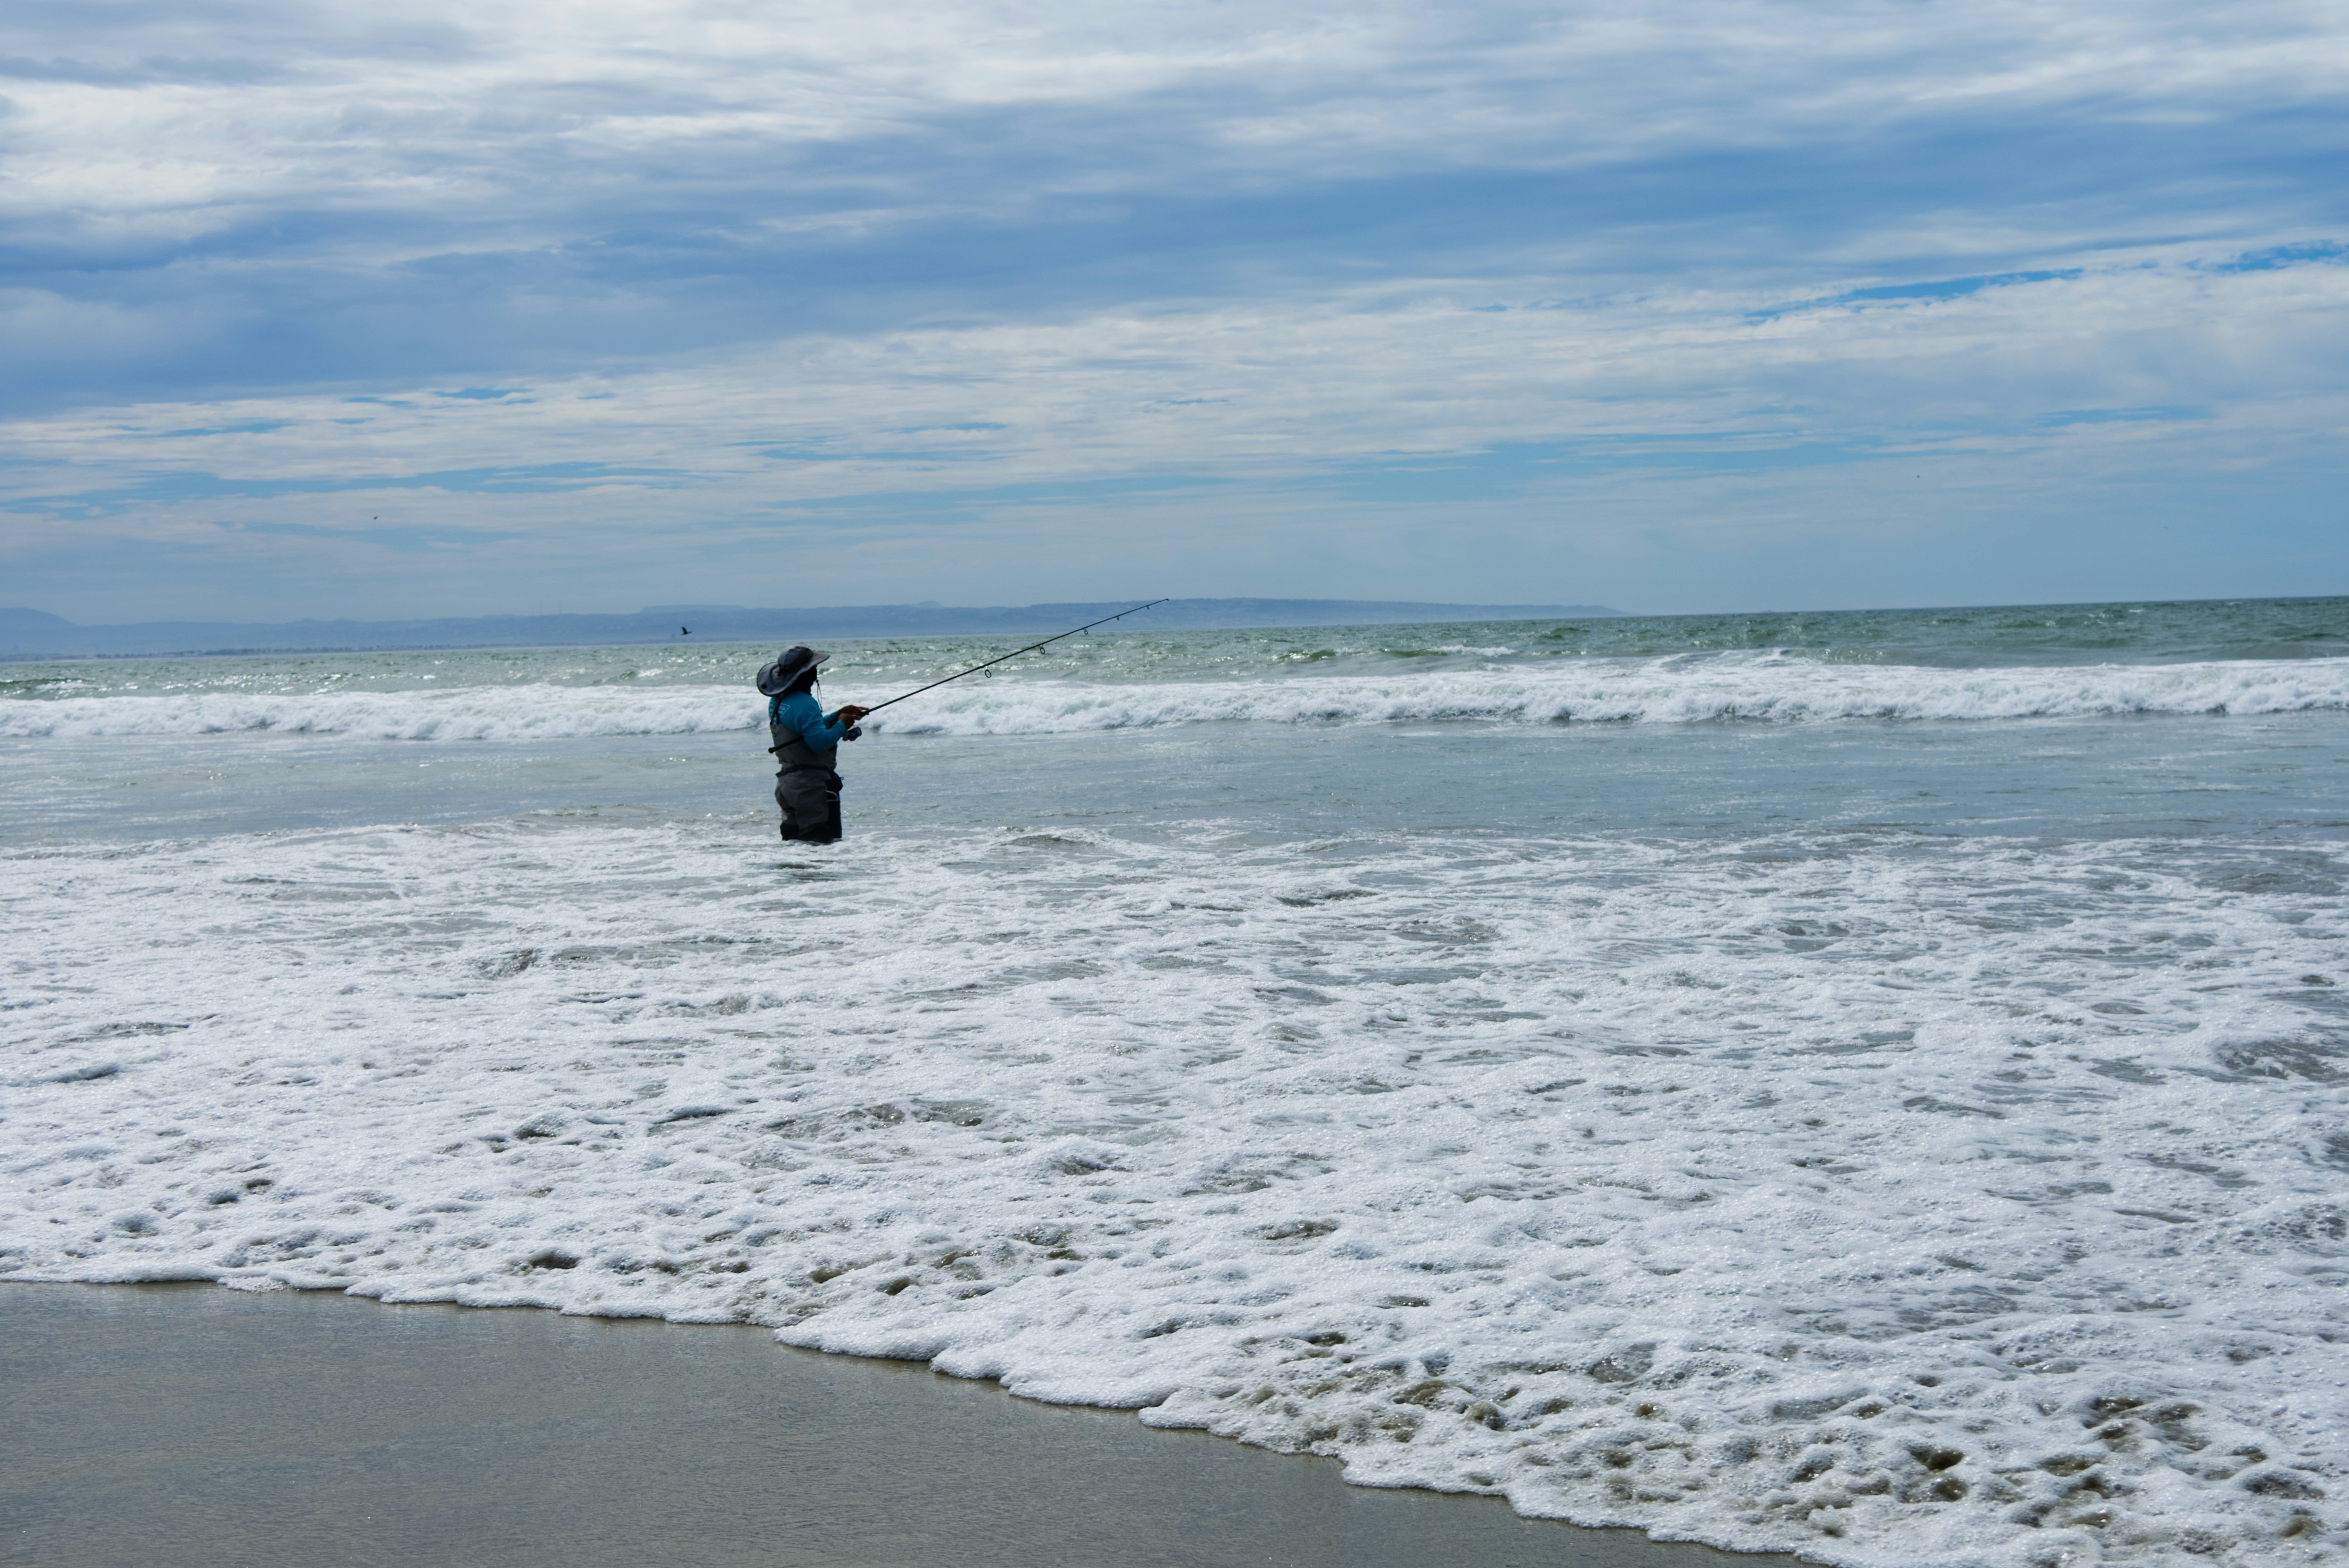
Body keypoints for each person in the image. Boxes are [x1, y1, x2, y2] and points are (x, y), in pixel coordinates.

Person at [755, 646, 870, 843]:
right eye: (813, 669)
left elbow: (805, 729)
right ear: (805, 674)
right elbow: (818, 743)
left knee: (794, 846)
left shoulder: (778, 701)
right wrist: (844, 724)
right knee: (819, 847)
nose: (816, 673)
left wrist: (837, 716)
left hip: (787, 786)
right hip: (810, 788)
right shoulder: (806, 703)